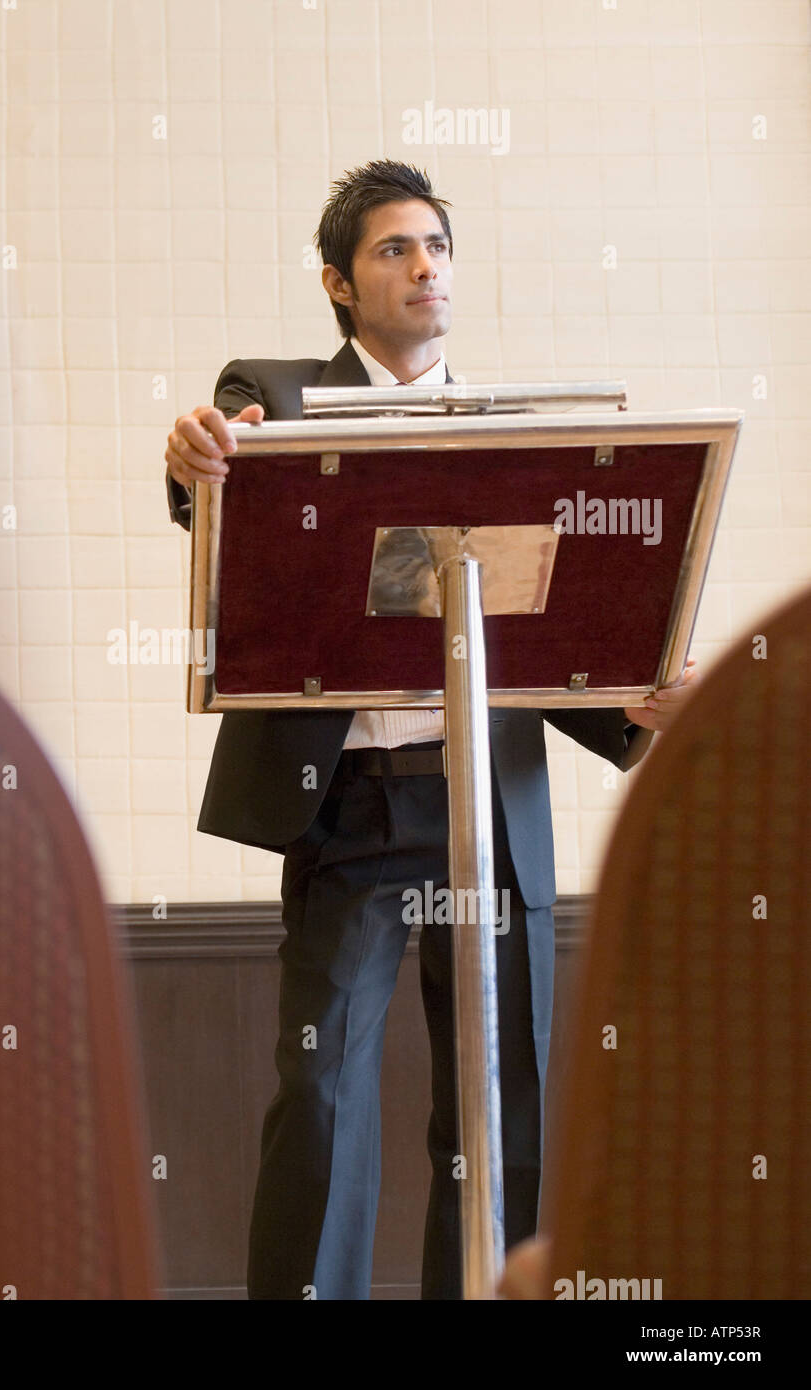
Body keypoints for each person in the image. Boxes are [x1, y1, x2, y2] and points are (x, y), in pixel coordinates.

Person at [163, 160, 696, 1299]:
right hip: (347, 802)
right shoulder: (277, 395)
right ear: (339, 283)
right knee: (321, 1095)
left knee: (500, 1105)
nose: (424, 267)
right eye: (394, 249)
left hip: (485, 807)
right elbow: (213, 470)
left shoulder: (507, 431)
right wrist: (197, 460)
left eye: (437, 246)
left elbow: (536, 621)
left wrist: (637, 704)